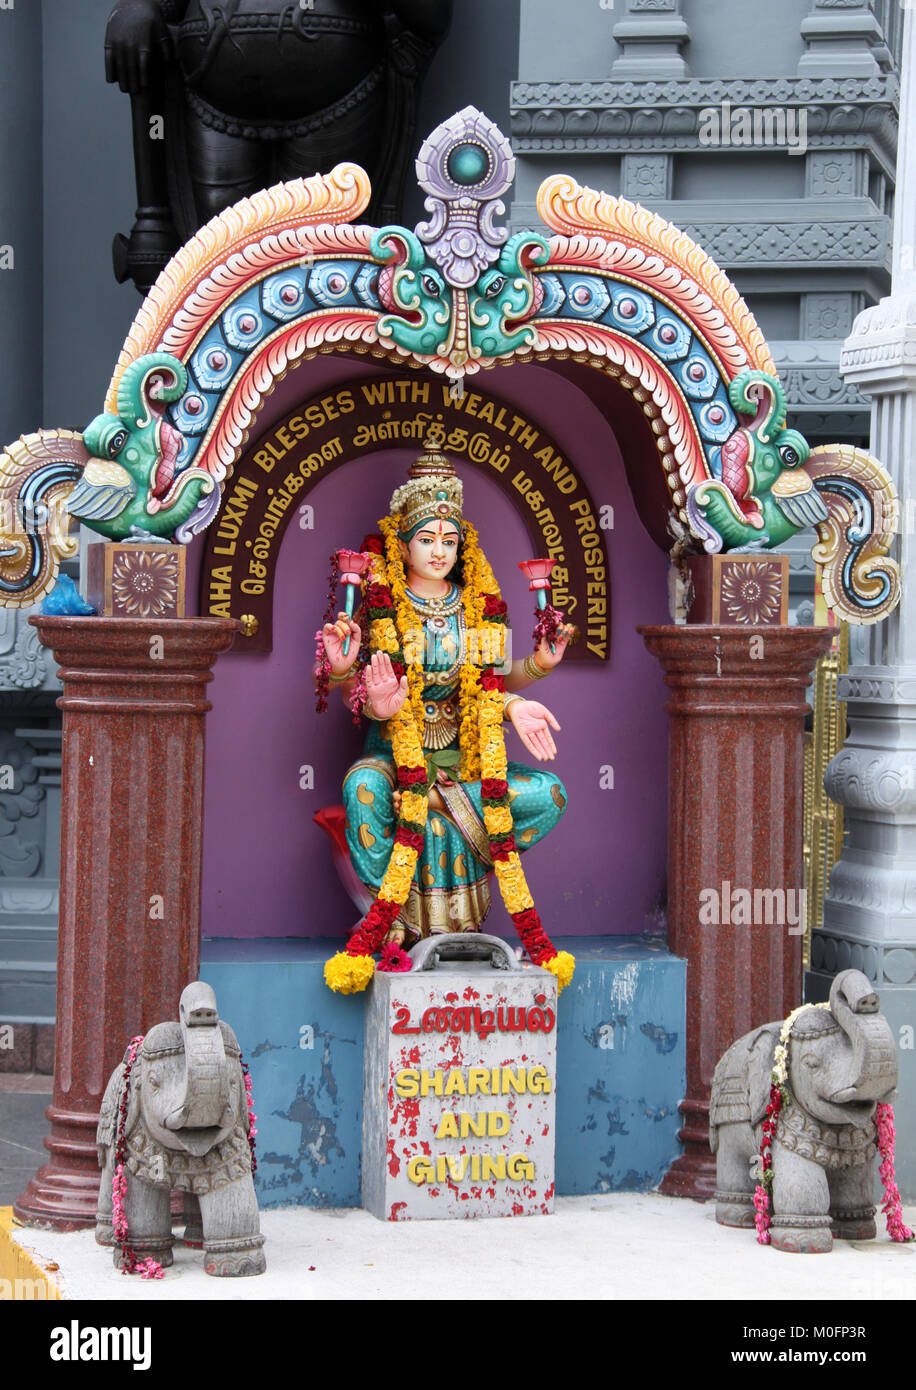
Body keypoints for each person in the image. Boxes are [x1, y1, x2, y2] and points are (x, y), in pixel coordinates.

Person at [318, 433, 576, 993]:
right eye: (427, 538)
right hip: (395, 755)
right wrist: (363, 690)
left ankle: (440, 807)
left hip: (464, 759)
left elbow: (493, 685)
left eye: (450, 541)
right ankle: (390, 927)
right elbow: (351, 692)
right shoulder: (377, 604)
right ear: (403, 541)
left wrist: (536, 672)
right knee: (363, 788)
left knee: (549, 794)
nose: (439, 551)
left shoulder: (476, 607)